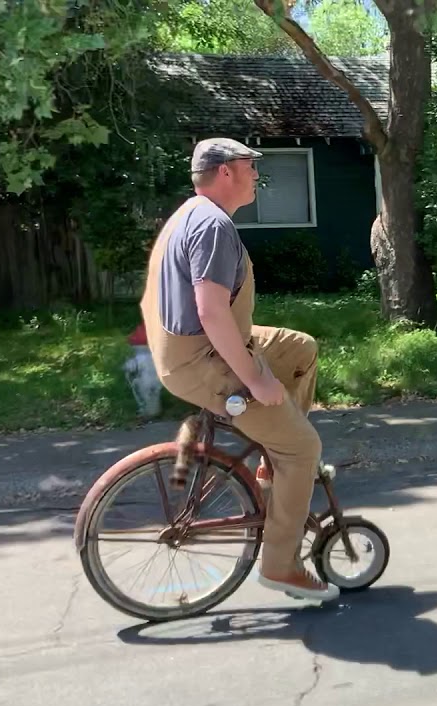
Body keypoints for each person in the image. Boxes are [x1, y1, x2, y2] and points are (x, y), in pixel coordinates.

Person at [139, 137, 338, 602]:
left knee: (299, 349)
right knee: (304, 447)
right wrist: (256, 379)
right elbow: (210, 312)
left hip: (197, 348)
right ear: (225, 171)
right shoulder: (212, 226)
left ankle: (274, 465)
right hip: (203, 359)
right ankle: (281, 566)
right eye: (250, 165)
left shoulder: (192, 214)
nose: (256, 174)